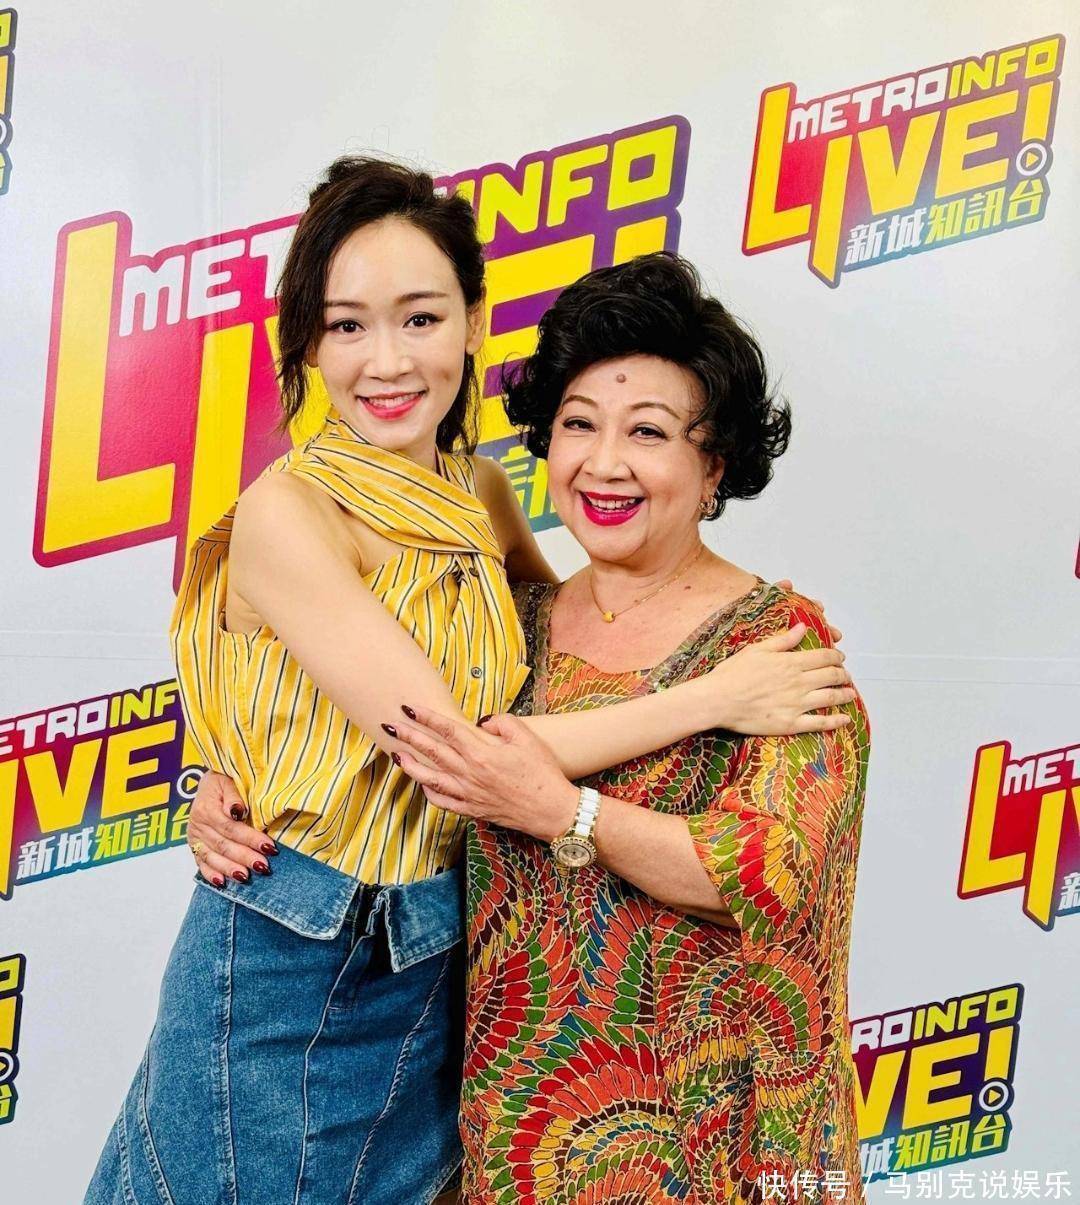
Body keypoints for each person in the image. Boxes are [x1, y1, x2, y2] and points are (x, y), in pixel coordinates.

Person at [101, 153, 855, 1205]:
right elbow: (455, 746)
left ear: (472, 323)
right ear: (308, 343)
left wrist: (240, 759)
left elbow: (557, 660)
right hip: (299, 956)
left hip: (444, 968)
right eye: (347, 325)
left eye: (421, 317)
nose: (388, 360)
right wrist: (713, 699)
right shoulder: (287, 511)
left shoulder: (484, 495)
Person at [383, 253, 872, 1203]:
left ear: (713, 463)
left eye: (646, 431)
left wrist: (565, 812)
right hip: (513, 1143)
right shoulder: (507, 627)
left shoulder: (777, 642)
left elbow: (770, 876)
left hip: (717, 1151)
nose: (603, 464)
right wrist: (234, 795)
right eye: (578, 424)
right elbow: (379, 752)